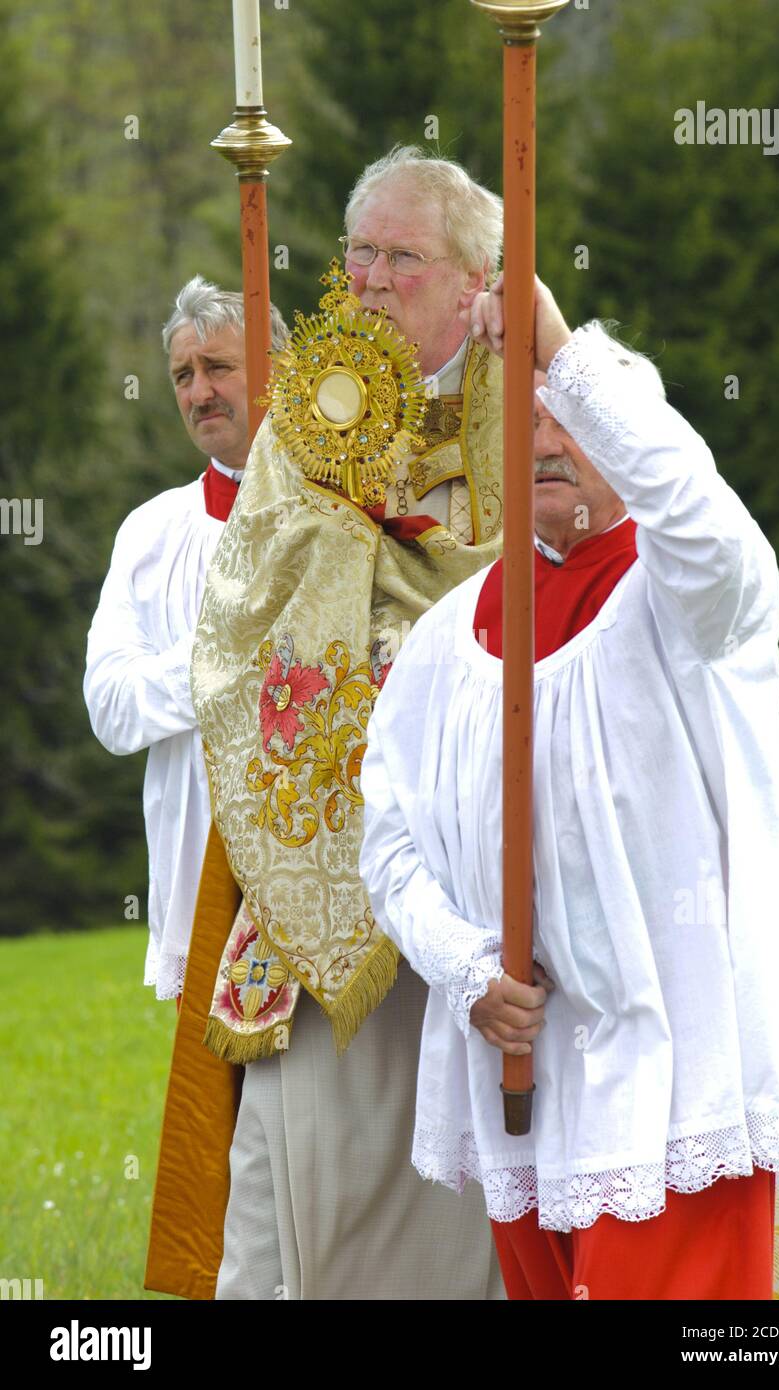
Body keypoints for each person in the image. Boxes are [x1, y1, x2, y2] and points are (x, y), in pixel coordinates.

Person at [358, 274, 779, 1300]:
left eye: (572, 420)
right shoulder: (450, 639)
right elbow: (390, 840)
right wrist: (464, 969)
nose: (544, 438)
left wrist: (561, 352)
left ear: (626, 433)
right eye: (526, 417)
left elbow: (706, 525)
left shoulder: (691, 603)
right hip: (526, 1093)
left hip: (679, 1082)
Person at [145, 146, 508, 1300]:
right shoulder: (303, 417)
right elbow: (236, 628)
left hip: (472, 860)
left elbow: (524, 593)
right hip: (316, 850)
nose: (368, 280)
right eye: (358, 254)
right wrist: (347, 544)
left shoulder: (524, 405)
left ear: (473, 279)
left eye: (402, 256)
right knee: (289, 1178)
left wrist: (411, 640)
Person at [83, 277, 288, 1001]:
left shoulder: (340, 517)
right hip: (196, 865)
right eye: (181, 375)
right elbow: (110, 707)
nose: (199, 392)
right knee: (212, 1115)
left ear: (277, 371)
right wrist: (219, 665)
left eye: (219, 368)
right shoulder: (151, 533)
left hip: (320, 868)